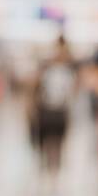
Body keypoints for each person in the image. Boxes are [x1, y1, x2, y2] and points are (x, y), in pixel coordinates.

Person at [29, 35, 77, 181]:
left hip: (61, 111)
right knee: (44, 143)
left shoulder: (70, 68)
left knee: (58, 143)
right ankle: (44, 171)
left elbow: (74, 91)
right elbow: (33, 88)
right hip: (45, 110)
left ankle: (54, 174)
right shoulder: (45, 67)